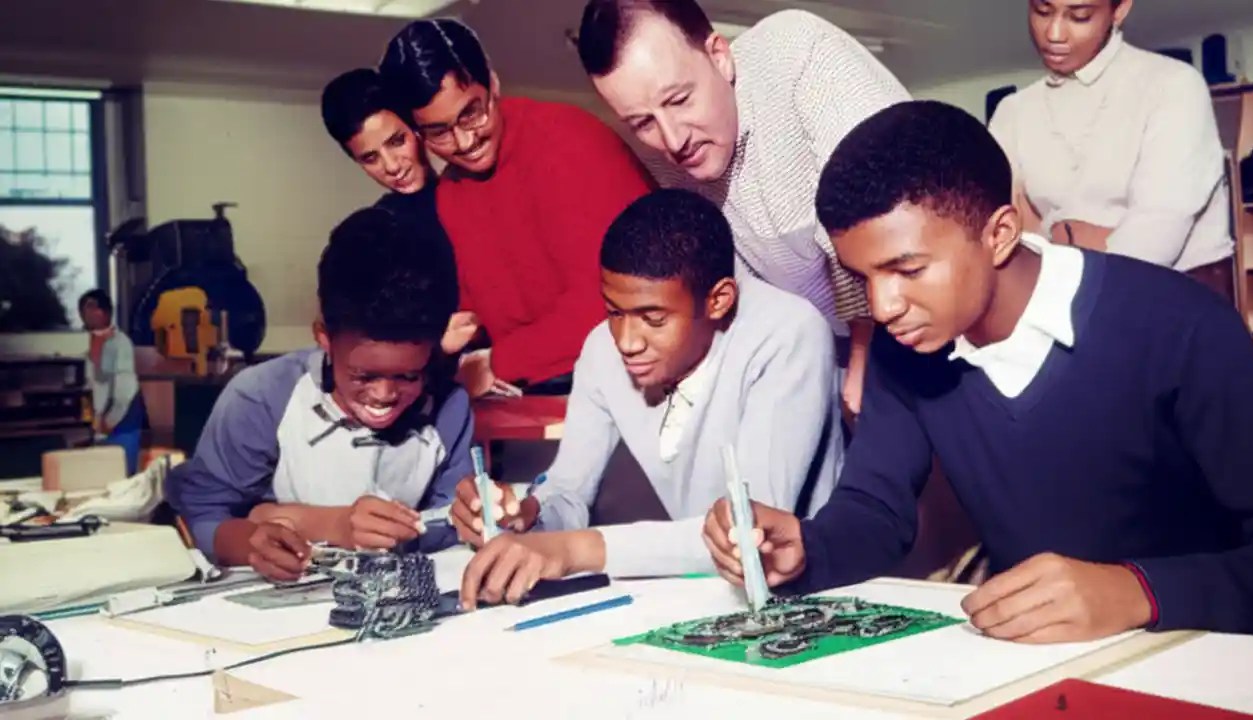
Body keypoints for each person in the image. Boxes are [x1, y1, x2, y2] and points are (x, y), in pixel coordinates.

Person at [703, 101, 1253, 640]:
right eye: (862, 277)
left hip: (1207, 656)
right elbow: (875, 511)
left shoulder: (1181, 326)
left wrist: (1140, 592)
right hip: (1028, 661)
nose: (881, 307)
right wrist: (807, 547)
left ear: (999, 234)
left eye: (907, 269)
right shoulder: (903, 347)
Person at [452, 188, 842, 608]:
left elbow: (747, 530)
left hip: (823, 595)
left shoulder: (788, 333)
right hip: (711, 597)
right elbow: (567, 491)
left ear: (718, 300)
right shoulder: (602, 349)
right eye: (613, 312)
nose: (626, 341)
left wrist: (574, 551)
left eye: (653, 319)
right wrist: (521, 517)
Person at [576, 0, 909, 414]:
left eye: (679, 100)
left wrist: (863, 362)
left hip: (926, 325)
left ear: (720, 57)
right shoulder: (664, 150)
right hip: (827, 349)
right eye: (643, 123)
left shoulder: (799, 54)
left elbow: (884, 226)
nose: (673, 139)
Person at [165, 208, 474, 581]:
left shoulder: (449, 408)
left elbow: (450, 520)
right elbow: (203, 518)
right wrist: (254, 542)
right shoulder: (262, 398)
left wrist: (475, 514)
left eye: (410, 375)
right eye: (362, 375)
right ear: (324, 337)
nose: (385, 394)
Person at [378, 19, 654, 398]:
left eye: (471, 112)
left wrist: (498, 362)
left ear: (492, 84)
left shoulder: (569, 143)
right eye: (439, 131)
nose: (464, 141)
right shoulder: (451, 193)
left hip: (646, 388)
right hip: (547, 393)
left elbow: (615, 304)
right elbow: (477, 315)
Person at [989, 0, 1234, 299]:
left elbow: (1154, 237)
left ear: (1120, 9)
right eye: (1042, 11)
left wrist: (1057, 237)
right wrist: (1084, 236)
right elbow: (1004, 237)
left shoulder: (1174, 86)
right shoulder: (1012, 112)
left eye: (1080, 16)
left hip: (1175, 310)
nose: (1053, 33)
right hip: (1063, 311)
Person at [321, 68, 477, 355]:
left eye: (396, 141)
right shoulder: (378, 231)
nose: (392, 166)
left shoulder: (474, 192)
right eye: (370, 158)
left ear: (417, 129)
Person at [79, 290, 144, 475]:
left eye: (93, 307)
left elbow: (125, 390)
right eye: (84, 309)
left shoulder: (120, 343)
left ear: (106, 312)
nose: (87, 313)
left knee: (121, 475)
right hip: (96, 422)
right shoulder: (86, 342)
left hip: (122, 421)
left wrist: (109, 421)